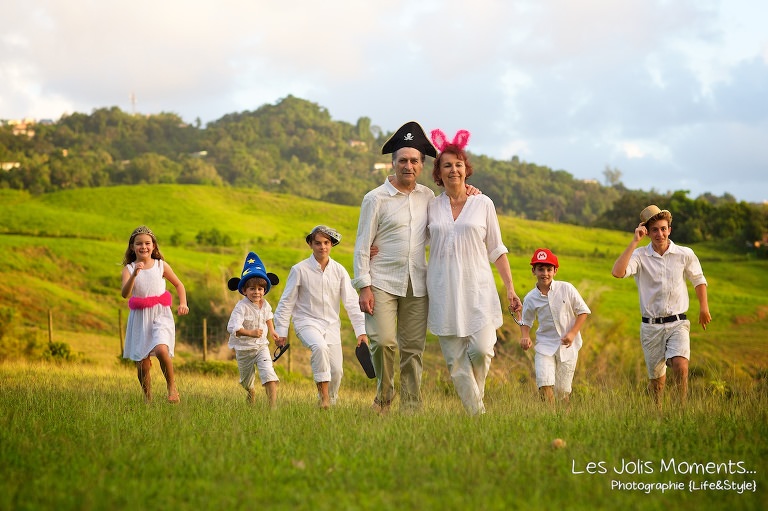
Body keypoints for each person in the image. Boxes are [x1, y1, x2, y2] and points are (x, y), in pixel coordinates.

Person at [426, 128, 522, 415]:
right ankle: (478, 416)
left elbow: (497, 248)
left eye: (458, 164)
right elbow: (412, 240)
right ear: (438, 173)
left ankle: (473, 405)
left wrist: (511, 287)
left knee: (482, 350)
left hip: (478, 289)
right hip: (443, 289)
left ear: (466, 170)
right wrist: (377, 249)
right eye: (447, 165)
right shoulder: (430, 206)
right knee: (455, 362)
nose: (453, 170)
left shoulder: (483, 203)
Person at [352, 121, 438, 414]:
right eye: (403, 160)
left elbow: (444, 224)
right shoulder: (375, 199)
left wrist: (470, 190)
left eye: (414, 161)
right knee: (384, 342)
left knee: (414, 349)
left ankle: (412, 407)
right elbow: (363, 245)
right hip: (381, 282)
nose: (409, 166)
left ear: (422, 165)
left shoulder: (428, 197)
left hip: (417, 283)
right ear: (393, 163)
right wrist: (363, 285)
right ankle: (385, 397)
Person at [611, 205, 711, 408]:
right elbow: (617, 272)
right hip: (650, 327)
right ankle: (658, 413)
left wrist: (704, 307)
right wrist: (634, 241)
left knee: (680, 364)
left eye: (663, 228)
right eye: (654, 229)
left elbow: (698, 279)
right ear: (647, 232)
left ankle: (680, 410)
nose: (660, 233)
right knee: (657, 383)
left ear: (670, 230)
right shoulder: (639, 256)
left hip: (677, 322)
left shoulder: (684, 254)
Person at [274, 225, 368, 409]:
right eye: (317, 243)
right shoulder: (299, 270)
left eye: (326, 243)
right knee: (319, 347)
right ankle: (324, 399)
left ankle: (329, 404)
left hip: (332, 326)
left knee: (337, 371)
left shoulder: (340, 271)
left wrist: (361, 332)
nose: (322, 247)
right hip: (306, 322)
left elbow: (351, 302)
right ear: (310, 244)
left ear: (331, 244)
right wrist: (281, 331)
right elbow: (286, 302)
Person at [121, 225, 188, 403]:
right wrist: (135, 274)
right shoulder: (129, 269)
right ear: (132, 247)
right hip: (140, 318)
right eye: (139, 244)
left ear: (154, 246)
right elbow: (125, 294)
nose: (143, 247)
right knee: (143, 365)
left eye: (147, 243)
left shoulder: (161, 265)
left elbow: (179, 285)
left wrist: (183, 303)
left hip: (161, 314)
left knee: (161, 349)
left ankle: (172, 388)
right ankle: (148, 399)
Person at [519, 248, 590, 406]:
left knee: (563, 391)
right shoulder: (531, 298)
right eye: (540, 269)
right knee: (544, 383)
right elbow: (526, 320)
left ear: (555, 271)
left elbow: (583, 311)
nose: (545, 273)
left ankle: (564, 420)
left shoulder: (566, 288)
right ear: (533, 271)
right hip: (545, 344)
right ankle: (550, 418)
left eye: (549, 269)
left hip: (567, 346)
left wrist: (572, 333)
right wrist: (525, 336)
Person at [226, 252, 281, 408]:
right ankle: (251, 392)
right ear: (244, 290)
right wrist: (250, 333)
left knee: (268, 373)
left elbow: (268, 316)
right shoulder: (241, 307)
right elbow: (232, 327)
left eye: (260, 289)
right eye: (252, 289)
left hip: (261, 347)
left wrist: (272, 331)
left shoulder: (265, 304)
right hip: (244, 350)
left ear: (265, 290)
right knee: (246, 381)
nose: (256, 292)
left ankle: (273, 407)